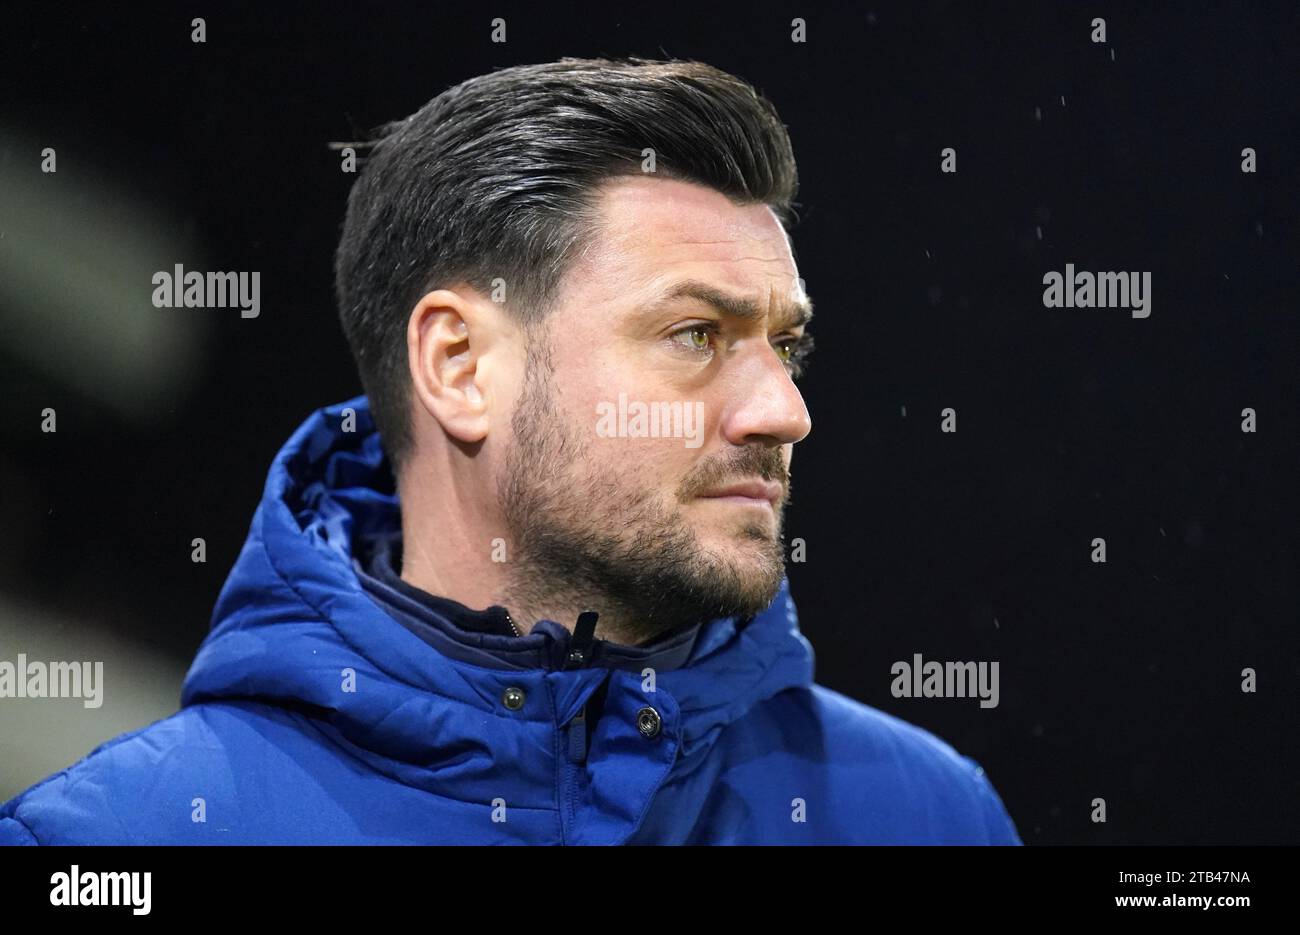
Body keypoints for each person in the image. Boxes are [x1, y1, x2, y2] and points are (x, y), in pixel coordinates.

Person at [0, 57, 1021, 844]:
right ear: (460, 365)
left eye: (784, 344)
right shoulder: (114, 841)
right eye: (694, 335)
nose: (783, 409)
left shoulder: (929, 814)